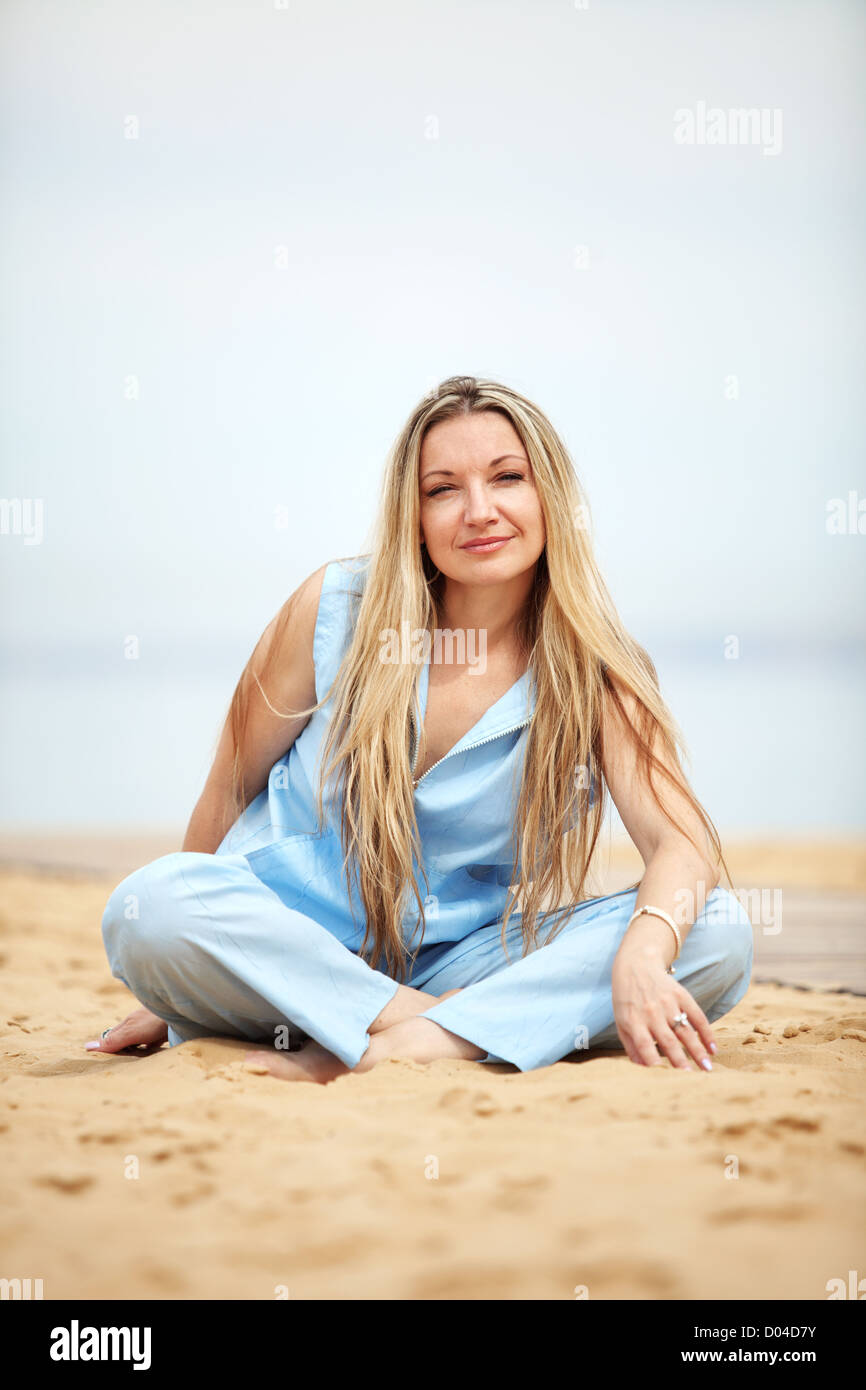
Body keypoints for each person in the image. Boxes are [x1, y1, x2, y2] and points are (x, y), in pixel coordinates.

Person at [90, 375, 753, 1083]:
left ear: (549, 496)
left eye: (507, 478)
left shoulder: (599, 670)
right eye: (443, 490)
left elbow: (679, 843)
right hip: (284, 954)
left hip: (461, 960)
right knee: (151, 906)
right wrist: (172, 990)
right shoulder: (334, 610)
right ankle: (441, 1025)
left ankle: (404, 1040)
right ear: (414, 515)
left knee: (717, 930)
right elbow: (228, 790)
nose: (479, 511)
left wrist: (645, 952)